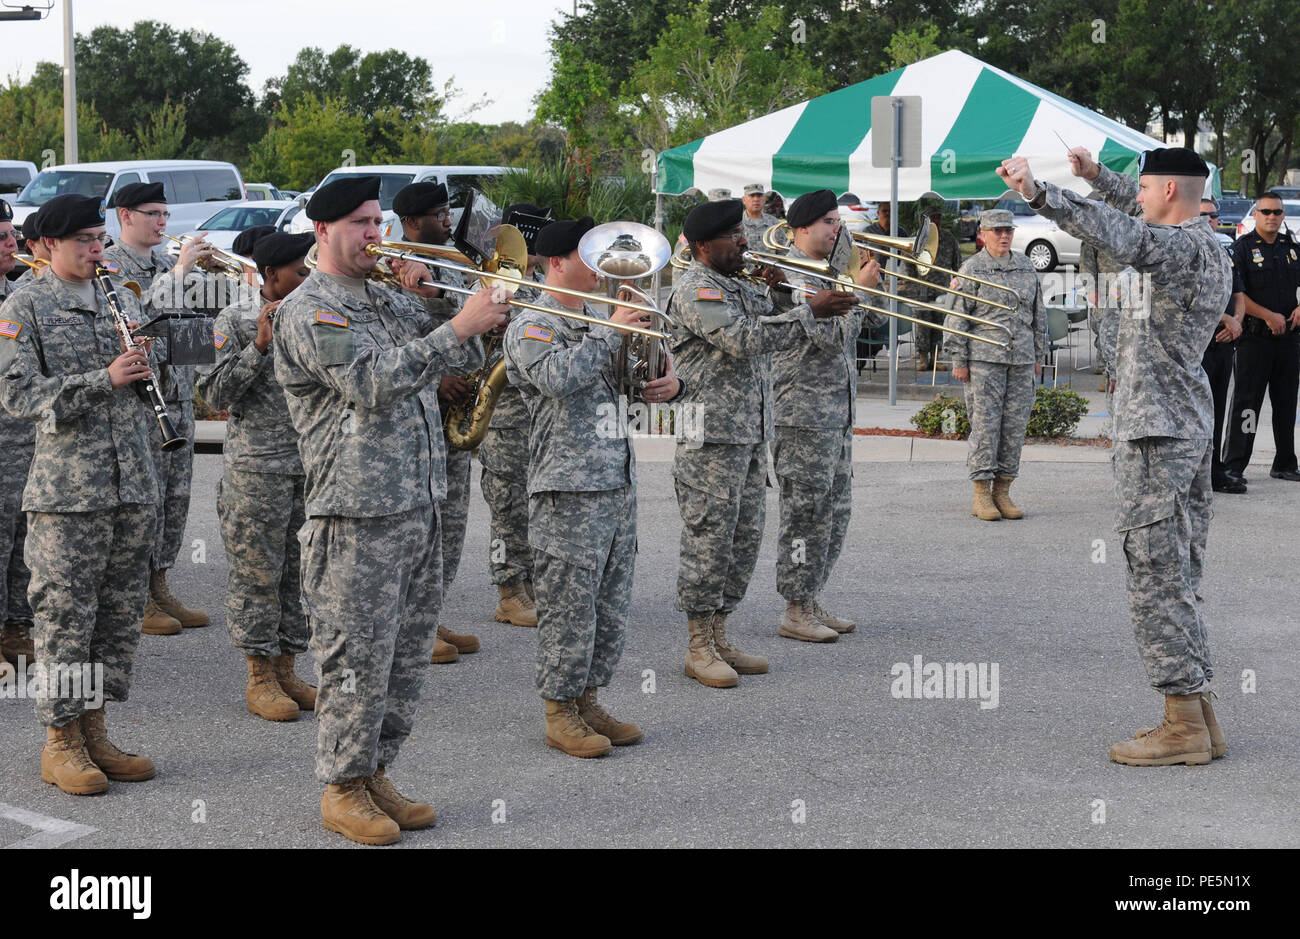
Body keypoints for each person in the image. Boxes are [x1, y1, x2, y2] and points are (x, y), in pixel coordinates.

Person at [274, 176, 508, 844]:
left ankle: (377, 770)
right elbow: (371, 382)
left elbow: (461, 353)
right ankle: (342, 786)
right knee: (354, 660)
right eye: (359, 224)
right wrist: (455, 326)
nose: (374, 235)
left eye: (378, 222)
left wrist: (442, 303)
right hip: (355, 517)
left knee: (404, 659)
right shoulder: (312, 310)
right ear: (322, 232)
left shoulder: (384, 295)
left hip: (419, 503)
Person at [1000, 146, 1230, 766]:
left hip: (1156, 432)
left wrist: (1040, 194)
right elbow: (1135, 209)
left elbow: (1124, 230)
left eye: (1148, 189)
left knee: (1154, 573)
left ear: (1171, 195)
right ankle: (1198, 710)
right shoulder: (1207, 243)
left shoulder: (1176, 248)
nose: (1140, 197)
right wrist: (1099, 176)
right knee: (1179, 571)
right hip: (1180, 423)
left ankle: (1182, 722)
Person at [0, 193, 162, 795]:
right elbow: (16, 395)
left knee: (116, 620)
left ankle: (95, 729)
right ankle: (60, 741)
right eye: (84, 242)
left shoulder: (120, 295)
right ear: (44, 247)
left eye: (99, 238)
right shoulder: (24, 306)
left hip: (132, 485)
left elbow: (152, 377)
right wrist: (104, 379)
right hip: (68, 496)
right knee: (66, 619)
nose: (97, 250)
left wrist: (150, 362)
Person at [669, 198, 855, 687]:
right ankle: (698, 645)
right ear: (704, 246)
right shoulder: (696, 290)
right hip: (709, 435)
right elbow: (744, 340)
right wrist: (808, 310)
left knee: (742, 540)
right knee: (709, 539)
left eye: (742, 233)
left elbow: (772, 321)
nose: (745, 241)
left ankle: (721, 632)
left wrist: (783, 294)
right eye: (734, 236)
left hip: (749, 433)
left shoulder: (738, 283)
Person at [503, 216, 669, 757]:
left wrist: (668, 379)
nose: (601, 265)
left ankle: (589, 697)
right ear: (555, 262)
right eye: (587, 254)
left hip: (615, 481)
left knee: (610, 606)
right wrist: (612, 330)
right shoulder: (533, 323)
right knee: (569, 607)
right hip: (567, 489)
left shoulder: (598, 316)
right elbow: (555, 379)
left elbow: (629, 383)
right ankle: (559, 709)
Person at [195, 230, 319, 722]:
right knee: (257, 576)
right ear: (270, 275)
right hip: (257, 469)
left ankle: (288, 666)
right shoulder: (234, 319)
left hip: (311, 465)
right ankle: (259, 675)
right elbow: (214, 393)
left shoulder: (318, 312)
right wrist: (260, 347)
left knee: (298, 574)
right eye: (298, 271)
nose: (307, 277)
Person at [103, 182, 216, 635]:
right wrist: (180, 273)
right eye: (153, 214)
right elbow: (135, 320)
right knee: (144, 499)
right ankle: (136, 595)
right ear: (125, 215)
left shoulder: (170, 264)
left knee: (176, 495)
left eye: (166, 214)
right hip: (141, 399)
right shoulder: (109, 265)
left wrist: (205, 280)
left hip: (180, 393)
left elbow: (198, 326)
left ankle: (160, 581)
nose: (163, 223)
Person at [769, 189, 880, 641]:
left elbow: (868, 328)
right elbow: (831, 338)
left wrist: (865, 289)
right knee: (805, 513)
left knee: (835, 512)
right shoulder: (792, 277)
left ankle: (811, 596)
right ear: (802, 229)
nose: (838, 229)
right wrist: (858, 292)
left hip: (835, 411)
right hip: (802, 414)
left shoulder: (831, 271)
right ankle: (794, 609)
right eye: (830, 222)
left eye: (838, 221)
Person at [391, 181, 479, 663]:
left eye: (449, 211)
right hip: (422, 408)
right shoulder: (394, 267)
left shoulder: (451, 260)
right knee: (423, 526)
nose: (449, 221)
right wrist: (436, 379)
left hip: (457, 410)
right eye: (439, 215)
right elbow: (394, 344)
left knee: (452, 523)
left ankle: (430, 612)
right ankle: (410, 624)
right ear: (410, 222)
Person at [475, 202, 550, 631]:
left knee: (527, 503)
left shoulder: (534, 279)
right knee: (507, 508)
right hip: (505, 416)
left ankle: (527, 581)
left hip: (530, 413)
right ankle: (508, 590)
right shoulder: (494, 279)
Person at [944, 209, 1045, 520]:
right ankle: (981, 494)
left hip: (1021, 359)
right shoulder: (972, 269)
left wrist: (1039, 354)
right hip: (985, 360)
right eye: (997, 230)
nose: (1004, 236)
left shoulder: (1026, 266)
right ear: (983, 234)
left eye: (1008, 231)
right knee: (986, 426)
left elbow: (1038, 313)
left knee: (1014, 427)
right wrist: (959, 359)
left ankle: (1003, 490)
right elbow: (958, 317)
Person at [1221, 192, 1300, 488]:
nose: (1272, 217)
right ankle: (1234, 465)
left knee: (1286, 402)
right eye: (1265, 211)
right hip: (1255, 339)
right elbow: (1238, 294)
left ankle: (1285, 463)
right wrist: (1268, 315)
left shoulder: (1290, 248)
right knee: (1247, 405)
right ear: (1255, 214)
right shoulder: (1242, 249)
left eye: (1277, 212)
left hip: (1288, 339)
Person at [0, 198, 37, 667]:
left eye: (11, 236)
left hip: (23, 437)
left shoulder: (20, 293)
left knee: (22, 540)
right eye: (1, 239)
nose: (11, 245)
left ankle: (15, 629)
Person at [1198, 200, 1245, 493]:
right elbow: (1192, 298)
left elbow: (1239, 291)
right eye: (1203, 214)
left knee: (1216, 408)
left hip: (1225, 341)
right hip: (1199, 342)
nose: (1210, 219)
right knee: (1196, 411)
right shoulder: (1185, 250)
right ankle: (1195, 473)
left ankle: (1215, 471)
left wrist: (1236, 322)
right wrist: (1226, 319)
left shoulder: (1225, 251)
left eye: (1214, 215)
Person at [904, 204, 961, 371]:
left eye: (938, 218)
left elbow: (957, 265)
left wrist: (955, 286)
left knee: (939, 324)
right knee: (922, 324)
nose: (937, 221)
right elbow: (909, 266)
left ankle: (937, 358)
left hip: (942, 289)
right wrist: (916, 283)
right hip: (922, 289)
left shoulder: (949, 238)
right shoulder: (916, 240)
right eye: (932, 218)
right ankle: (923, 358)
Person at [741, 183, 779, 247]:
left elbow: (782, 249)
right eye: (752, 196)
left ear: (764, 199)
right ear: (744, 200)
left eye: (759, 196)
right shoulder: (737, 222)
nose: (756, 199)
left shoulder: (773, 222)